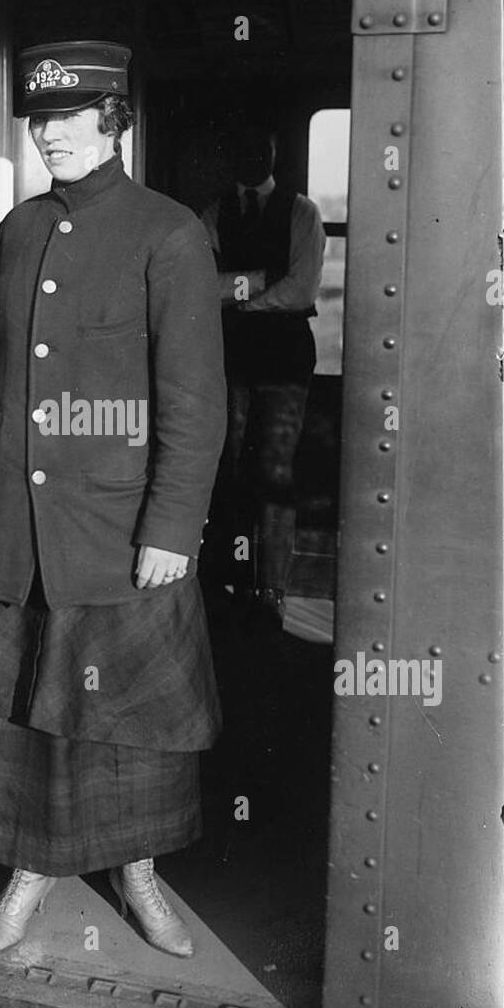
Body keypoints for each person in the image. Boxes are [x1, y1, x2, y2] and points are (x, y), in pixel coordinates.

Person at [0, 40, 226, 959]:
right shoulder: (16, 229)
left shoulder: (168, 234)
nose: (48, 134)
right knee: (17, 721)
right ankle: (30, 874)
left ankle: (137, 877)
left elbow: (194, 403)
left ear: (112, 120)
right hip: (12, 531)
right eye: (39, 120)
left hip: (115, 534)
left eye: (68, 117)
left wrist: (172, 527)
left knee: (128, 725)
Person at [200, 124, 326, 629]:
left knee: (274, 474)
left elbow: (302, 289)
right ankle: (227, 582)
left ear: (275, 151)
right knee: (225, 470)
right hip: (229, 360)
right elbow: (201, 288)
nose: (253, 154)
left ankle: (271, 588)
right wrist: (260, 284)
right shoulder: (212, 214)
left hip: (284, 362)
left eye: (262, 145)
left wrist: (238, 296)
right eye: (244, 146)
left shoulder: (303, 212)